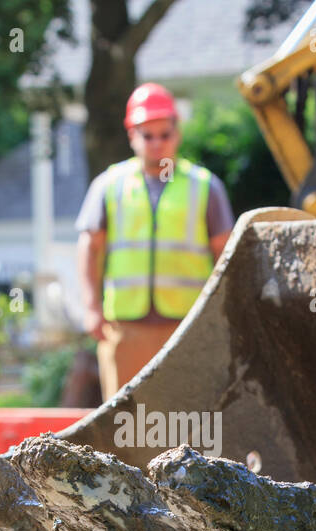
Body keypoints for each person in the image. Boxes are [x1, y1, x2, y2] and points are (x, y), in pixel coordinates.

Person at [75, 83, 235, 400]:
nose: (157, 144)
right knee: (125, 423)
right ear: (132, 135)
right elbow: (89, 249)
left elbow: (225, 255)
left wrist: (221, 316)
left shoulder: (205, 187)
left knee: (185, 418)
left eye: (165, 134)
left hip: (188, 327)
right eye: (148, 136)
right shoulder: (109, 185)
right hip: (124, 328)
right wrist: (92, 307)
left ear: (177, 133)